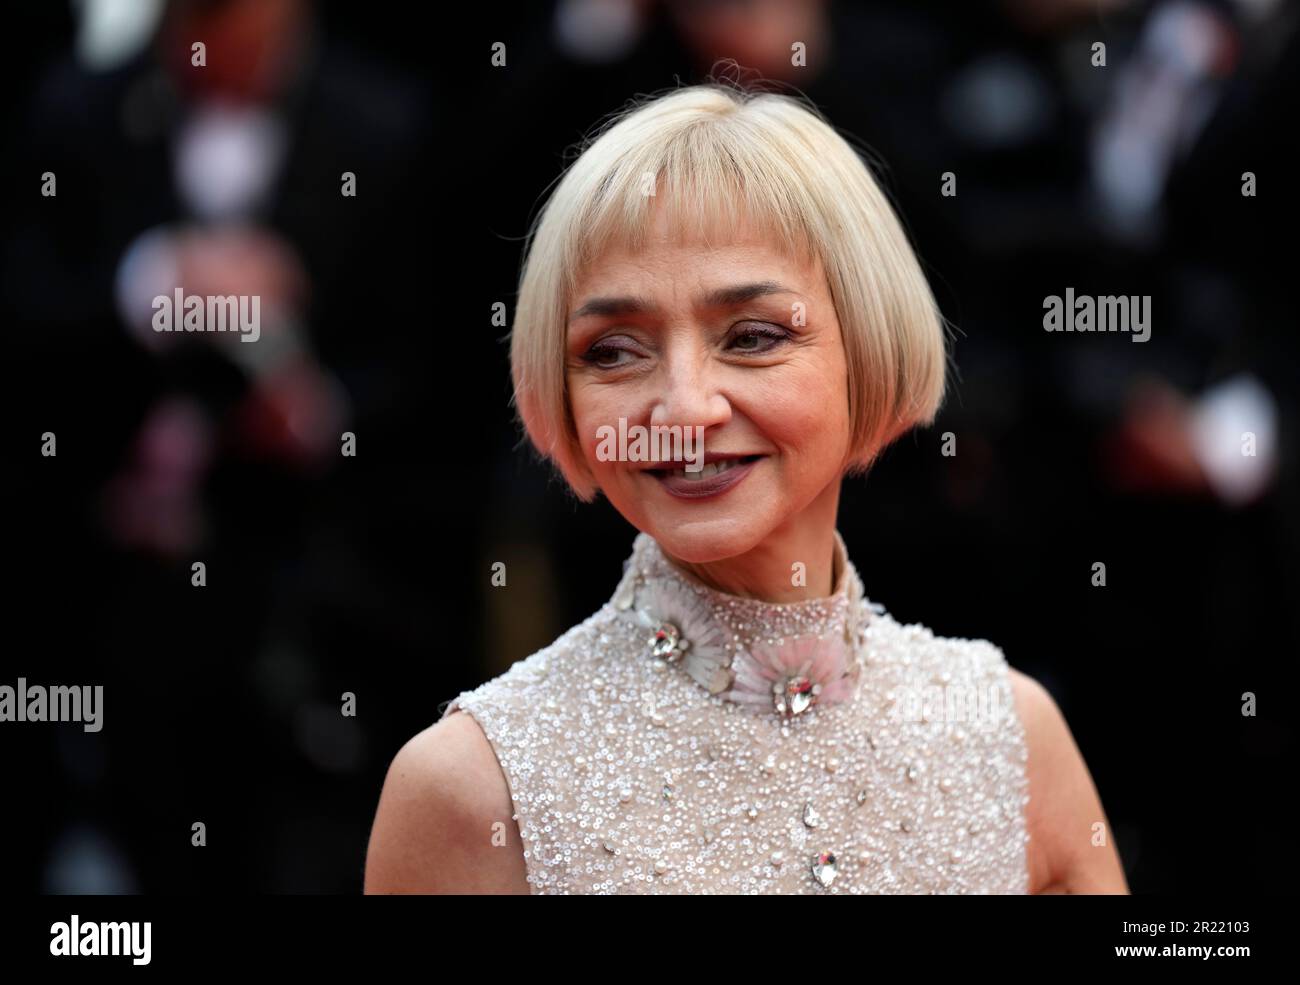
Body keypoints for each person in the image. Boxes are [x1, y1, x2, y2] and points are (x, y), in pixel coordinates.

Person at [364, 81, 1128, 894]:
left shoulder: (1007, 734)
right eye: (614, 350)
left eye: (754, 336)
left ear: (867, 347)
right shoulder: (472, 787)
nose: (685, 407)